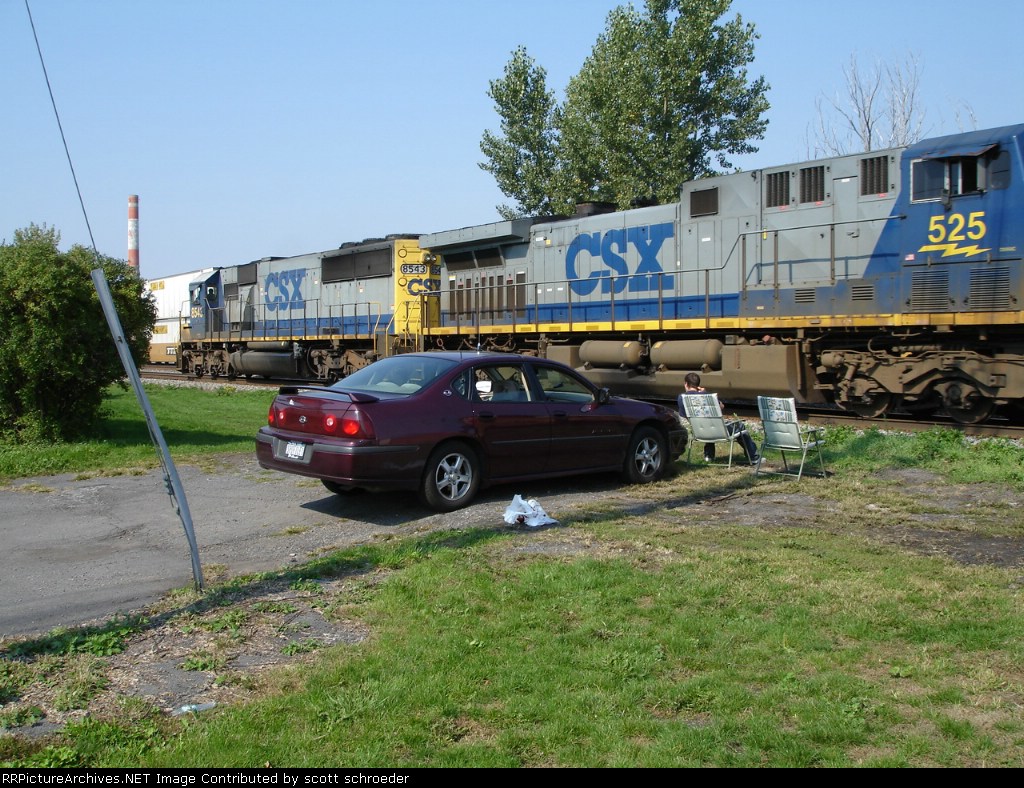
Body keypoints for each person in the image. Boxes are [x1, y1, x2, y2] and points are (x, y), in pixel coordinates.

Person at [683, 372, 760, 465]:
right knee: (740, 426)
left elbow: (685, 416)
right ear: (698, 385)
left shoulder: (681, 398)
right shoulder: (708, 396)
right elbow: (722, 406)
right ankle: (754, 457)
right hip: (719, 432)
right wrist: (704, 393)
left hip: (699, 432)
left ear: (686, 384)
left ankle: (708, 456)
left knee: (706, 424)